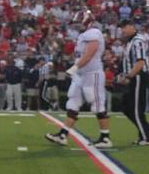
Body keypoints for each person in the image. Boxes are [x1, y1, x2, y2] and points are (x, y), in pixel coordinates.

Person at [45, 12, 112, 148]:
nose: (75, 27)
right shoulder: (83, 36)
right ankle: (63, 135)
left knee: (97, 103)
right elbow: (75, 54)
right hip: (81, 75)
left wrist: (74, 68)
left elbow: (88, 55)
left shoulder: (94, 32)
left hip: (92, 74)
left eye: (78, 23)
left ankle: (105, 137)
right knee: (73, 102)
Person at [117, 19, 149, 145]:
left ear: (132, 26)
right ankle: (146, 127)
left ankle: (147, 137)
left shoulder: (138, 40)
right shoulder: (130, 41)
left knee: (136, 108)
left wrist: (129, 76)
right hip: (134, 76)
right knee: (126, 107)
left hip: (139, 76)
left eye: (125, 27)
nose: (123, 30)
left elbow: (140, 62)